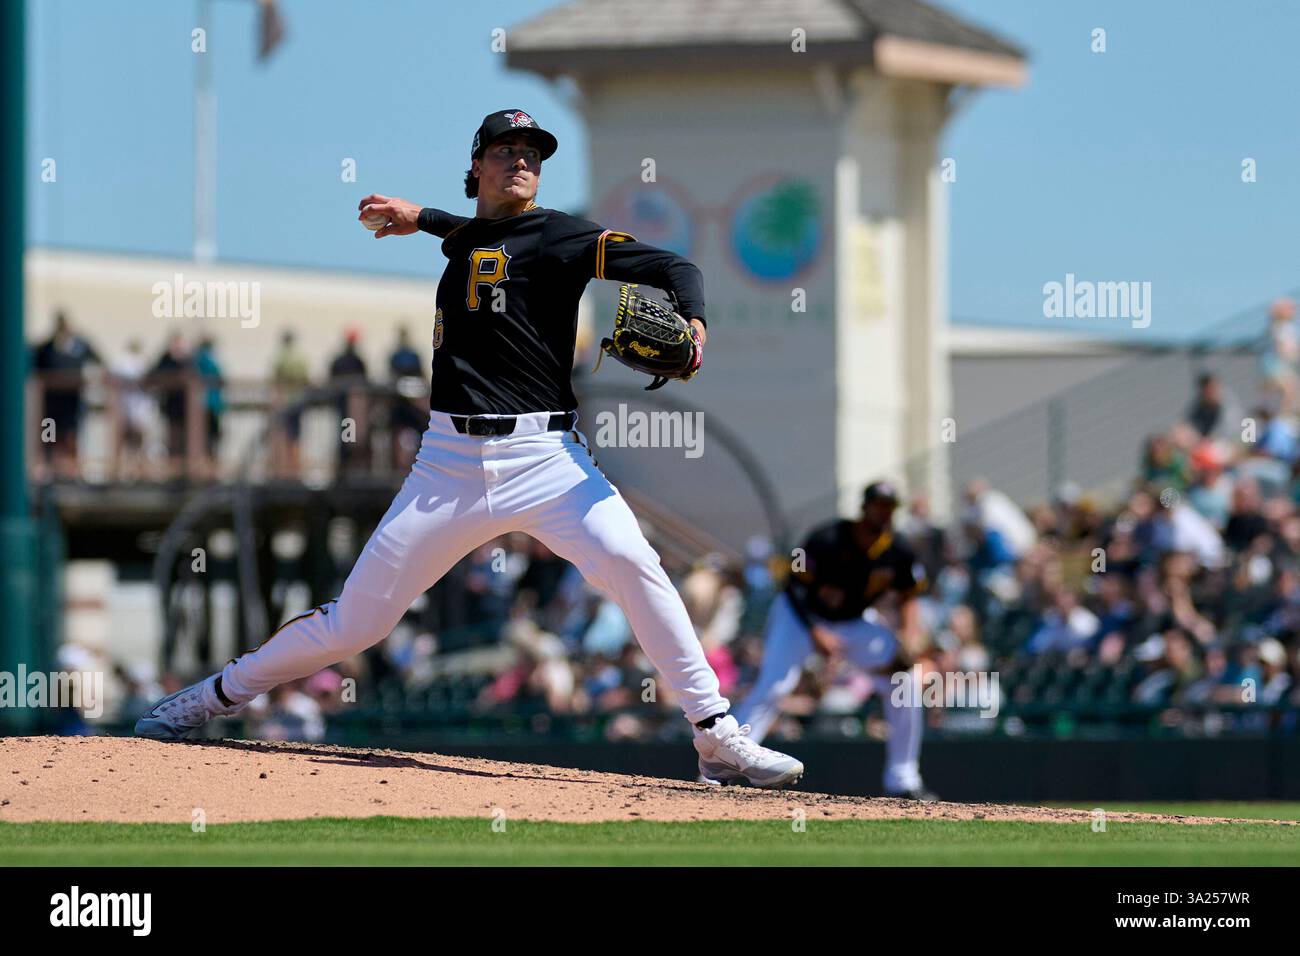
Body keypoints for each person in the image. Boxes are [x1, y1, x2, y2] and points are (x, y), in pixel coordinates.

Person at [135, 108, 802, 788]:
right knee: (353, 626)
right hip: (447, 465)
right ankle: (209, 698)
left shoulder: (562, 236)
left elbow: (671, 264)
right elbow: (484, 241)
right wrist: (420, 216)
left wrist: (694, 324)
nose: (523, 161)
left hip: (546, 461)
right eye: (507, 150)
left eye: (534, 154)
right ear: (477, 165)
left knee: (633, 560)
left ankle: (716, 732)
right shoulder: (469, 240)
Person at [732, 481, 936, 799]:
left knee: (904, 679)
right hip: (800, 617)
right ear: (864, 508)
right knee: (776, 684)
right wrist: (816, 632)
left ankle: (903, 778)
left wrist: (910, 632)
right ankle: (728, 766)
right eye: (878, 505)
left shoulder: (898, 549)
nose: (883, 512)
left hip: (852, 623)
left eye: (889, 506)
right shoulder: (827, 538)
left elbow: (909, 593)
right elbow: (793, 586)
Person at [30, 311, 100, 479]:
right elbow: (33, 364)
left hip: (72, 403)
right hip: (51, 406)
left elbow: (98, 361)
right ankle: (50, 471)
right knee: (49, 438)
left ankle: (72, 473)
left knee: (71, 437)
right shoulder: (46, 348)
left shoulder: (80, 346)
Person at [270, 329, 310, 477]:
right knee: (297, 435)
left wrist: (276, 399)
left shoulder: (280, 357)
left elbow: (275, 381)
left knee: (285, 434)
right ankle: (297, 468)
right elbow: (306, 379)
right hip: (300, 400)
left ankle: (285, 468)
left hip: (286, 401)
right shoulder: (300, 358)